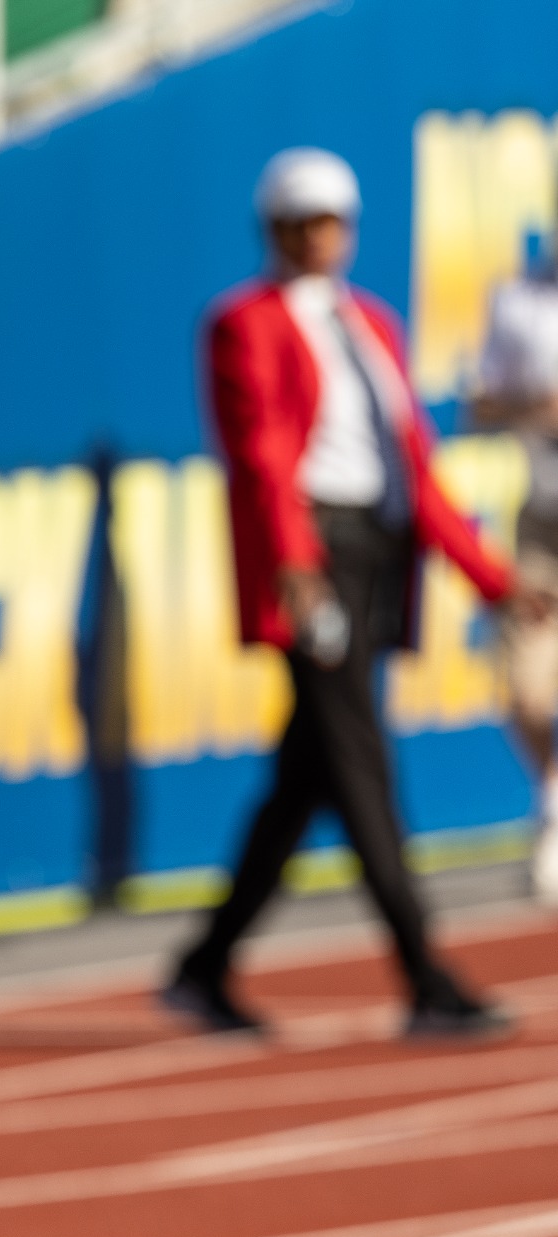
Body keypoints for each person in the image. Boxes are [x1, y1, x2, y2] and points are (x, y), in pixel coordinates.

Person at [166, 147, 522, 1038]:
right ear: (281, 229)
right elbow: (264, 459)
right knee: (360, 762)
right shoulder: (243, 322)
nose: (330, 238)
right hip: (314, 557)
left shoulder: (373, 321)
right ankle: (425, 971)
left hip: (375, 556)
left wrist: (491, 580)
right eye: (312, 221)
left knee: (309, 775)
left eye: (339, 220)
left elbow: (415, 465)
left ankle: (202, 967)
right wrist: (295, 566)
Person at [469, 249, 558, 905]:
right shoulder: (519, 299)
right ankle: (553, 799)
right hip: (543, 520)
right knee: (526, 688)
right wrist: (530, 405)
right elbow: (482, 404)